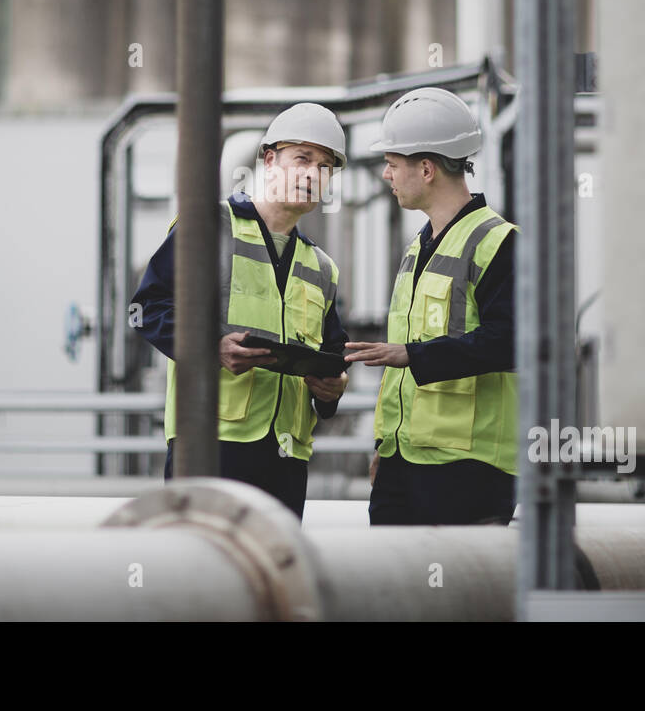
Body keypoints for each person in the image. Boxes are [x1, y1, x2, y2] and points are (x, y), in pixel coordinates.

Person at [131, 103, 350, 519]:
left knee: (270, 574)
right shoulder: (210, 226)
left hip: (286, 456)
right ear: (269, 161)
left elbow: (333, 357)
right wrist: (212, 347)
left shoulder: (322, 267)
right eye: (302, 159)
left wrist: (332, 390)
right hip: (211, 444)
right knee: (202, 571)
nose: (313, 174)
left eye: (325, 167)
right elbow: (146, 308)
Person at [345, 87, 518, 526]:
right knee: (393, 592)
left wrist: (414, 355)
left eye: (392, 164)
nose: (386, 175)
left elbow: (513, 341)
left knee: (458, 595)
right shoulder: (417, 249)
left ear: (425, 169)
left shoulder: (499, 243)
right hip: (404, 465)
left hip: (469, 469)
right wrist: (385, 447)